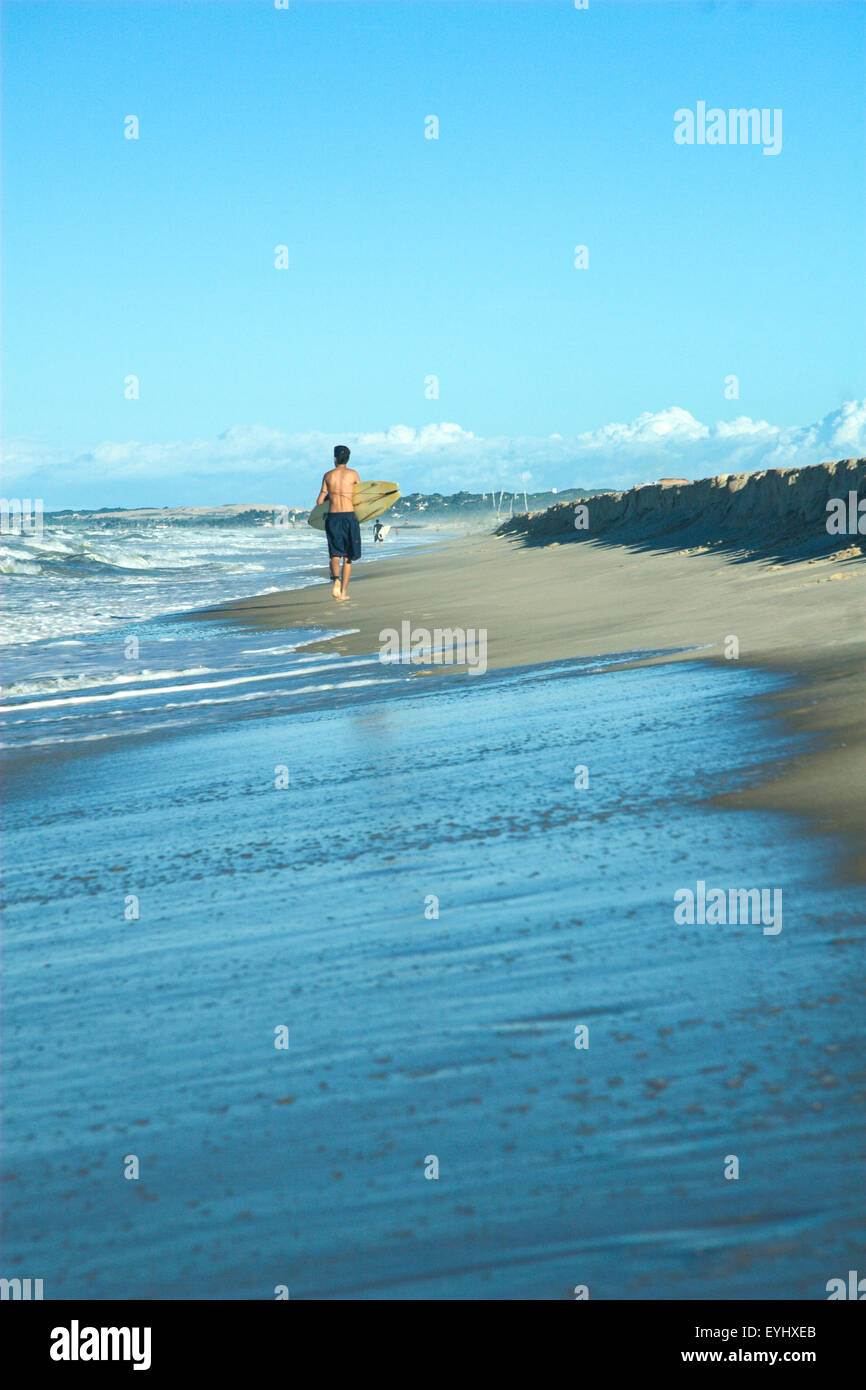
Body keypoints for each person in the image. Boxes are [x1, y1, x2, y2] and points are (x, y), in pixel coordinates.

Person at [315, 445, 362, 600]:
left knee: (335, 554)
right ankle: (343, 593)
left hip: (333, 518)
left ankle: (335, 580)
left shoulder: (328, 475)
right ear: (347, 459)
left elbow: (320, 502)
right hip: (349, 516)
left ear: (335, 458)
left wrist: (330, 496)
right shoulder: (353, 474)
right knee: (348, 558)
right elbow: (359, 498)